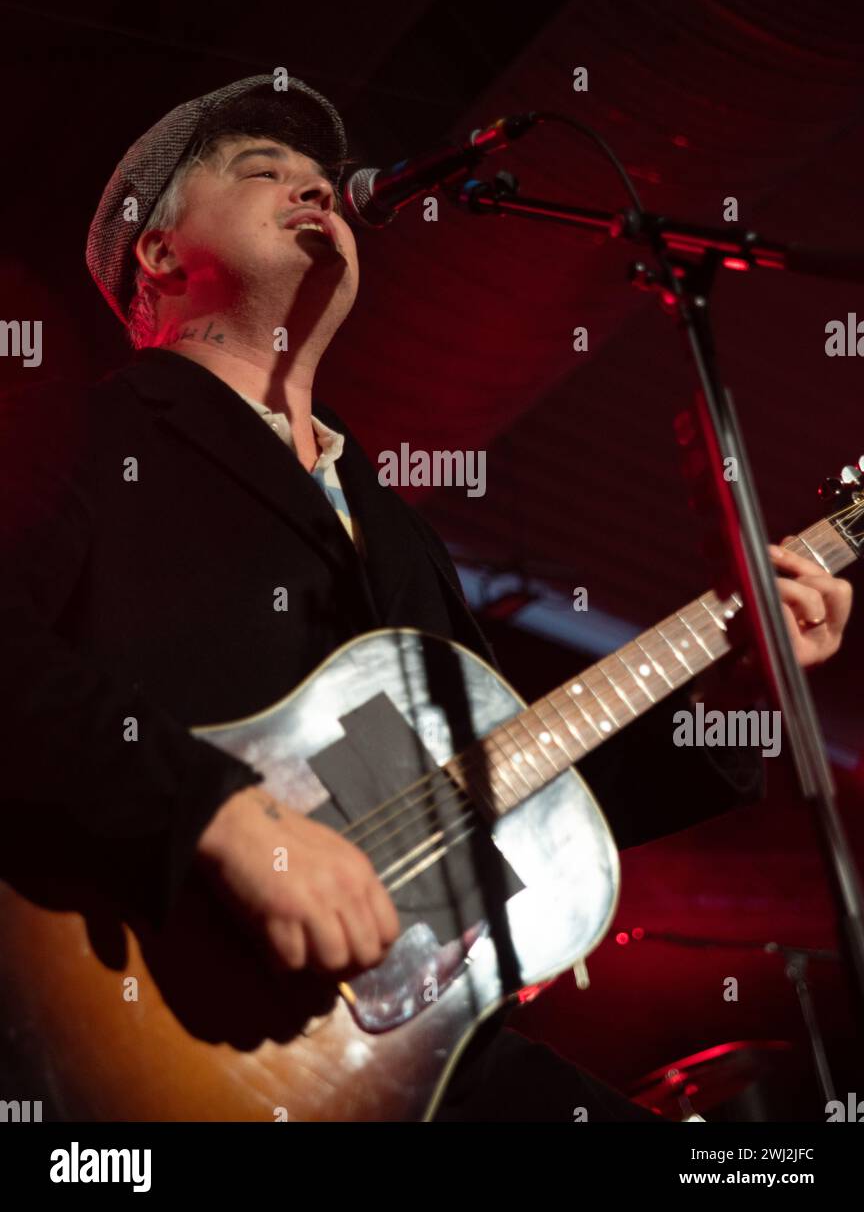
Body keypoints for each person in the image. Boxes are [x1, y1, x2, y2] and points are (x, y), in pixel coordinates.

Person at [0, 74, 852, 1122]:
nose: (316, 191)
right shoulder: (81, 439)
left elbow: (525, 799)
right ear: (161, 254)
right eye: (265, 173)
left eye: (323, 181)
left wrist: (745, 678)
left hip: (414, 1061)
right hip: (133, 1028)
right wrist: (218, 817)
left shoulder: (389, 525)